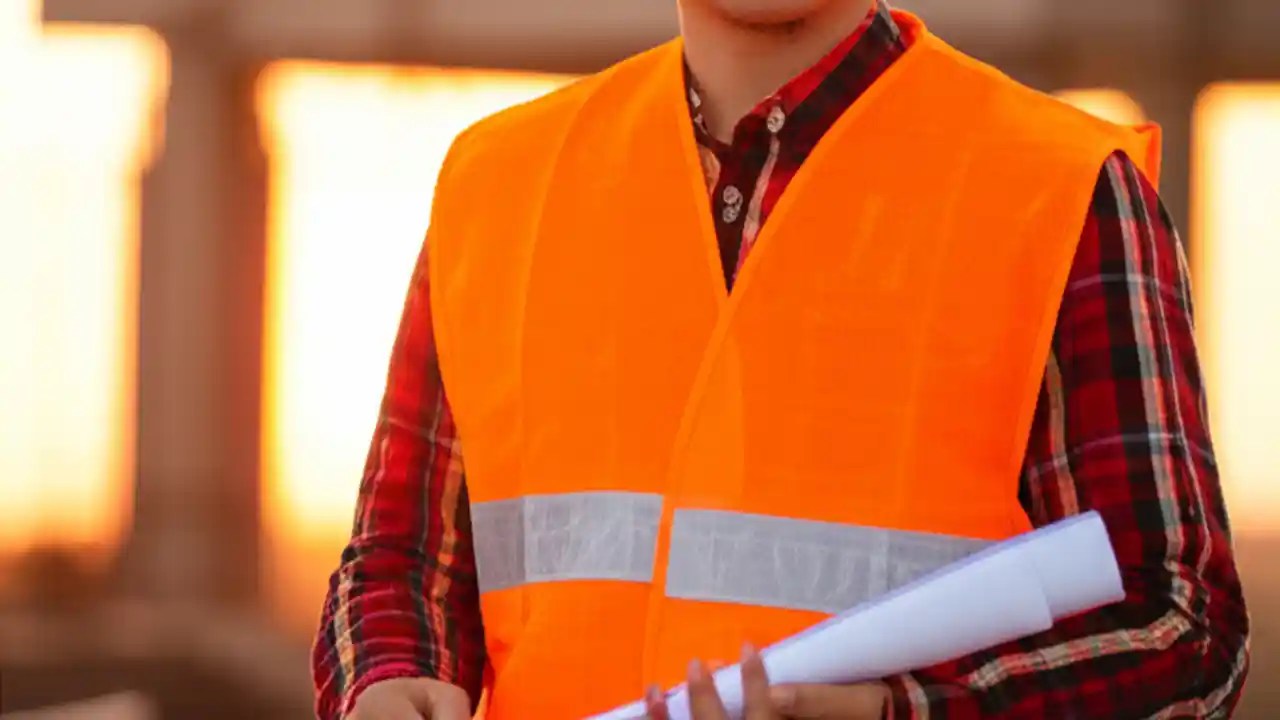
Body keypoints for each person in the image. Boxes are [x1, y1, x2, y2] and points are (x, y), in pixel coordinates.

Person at [311, 1, 1251, 718]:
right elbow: (403, 564)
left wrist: (906, 711)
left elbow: (1183, 628)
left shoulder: (1061, 193)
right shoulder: (499, 184)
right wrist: (391, 679)